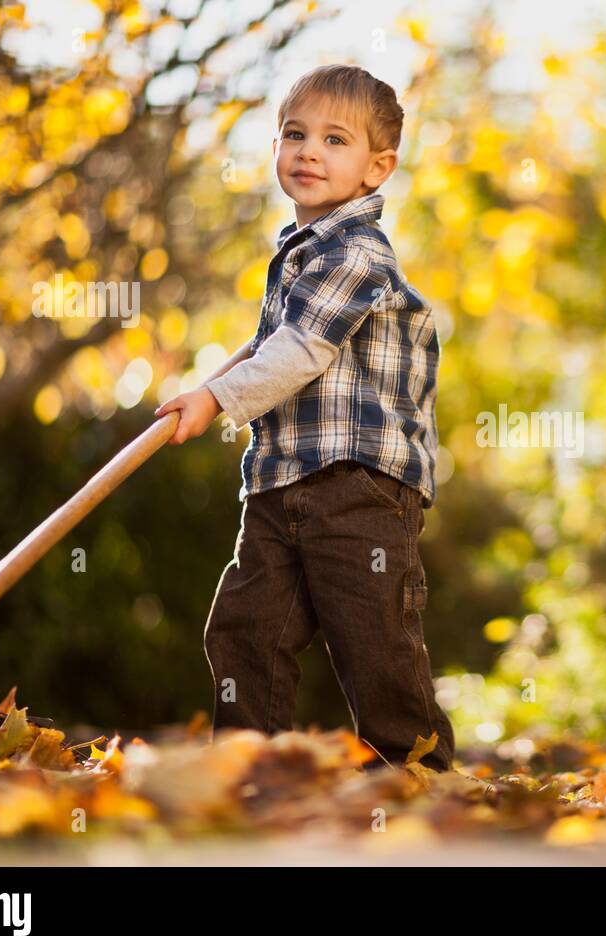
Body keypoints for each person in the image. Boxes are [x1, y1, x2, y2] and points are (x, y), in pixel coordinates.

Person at [155, 64, 455, 773]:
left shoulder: (357, 255)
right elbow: (268, 347)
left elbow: (298, 353)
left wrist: (214, 399)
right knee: (244, 630)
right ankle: (246, 768)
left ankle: (418, 775)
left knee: (373, 638)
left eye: (334, 139)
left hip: (360, 488)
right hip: (279, 483)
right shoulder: (298, 257)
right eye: (294, 134)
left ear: (378, 168)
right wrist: (214, 383)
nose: (308, 152)